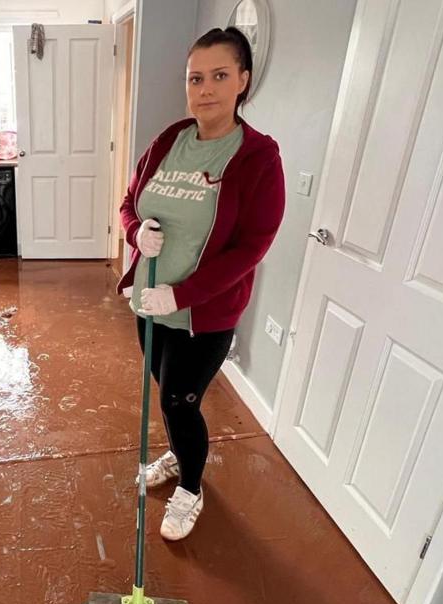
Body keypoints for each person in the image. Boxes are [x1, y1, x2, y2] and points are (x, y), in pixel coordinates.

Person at [117, 27, 286, 541]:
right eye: (195, 77)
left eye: (218, 76)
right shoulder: (170, 139)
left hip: (203, 313)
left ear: (243, 81)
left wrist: (183, 294)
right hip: (150, 303)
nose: (204, 88)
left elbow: (252, 247)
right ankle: (176, 454)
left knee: (179, 402)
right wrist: (134, 230)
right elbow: (130, 203)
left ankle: (191, 487)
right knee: (166, 390)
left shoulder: (258, 156)